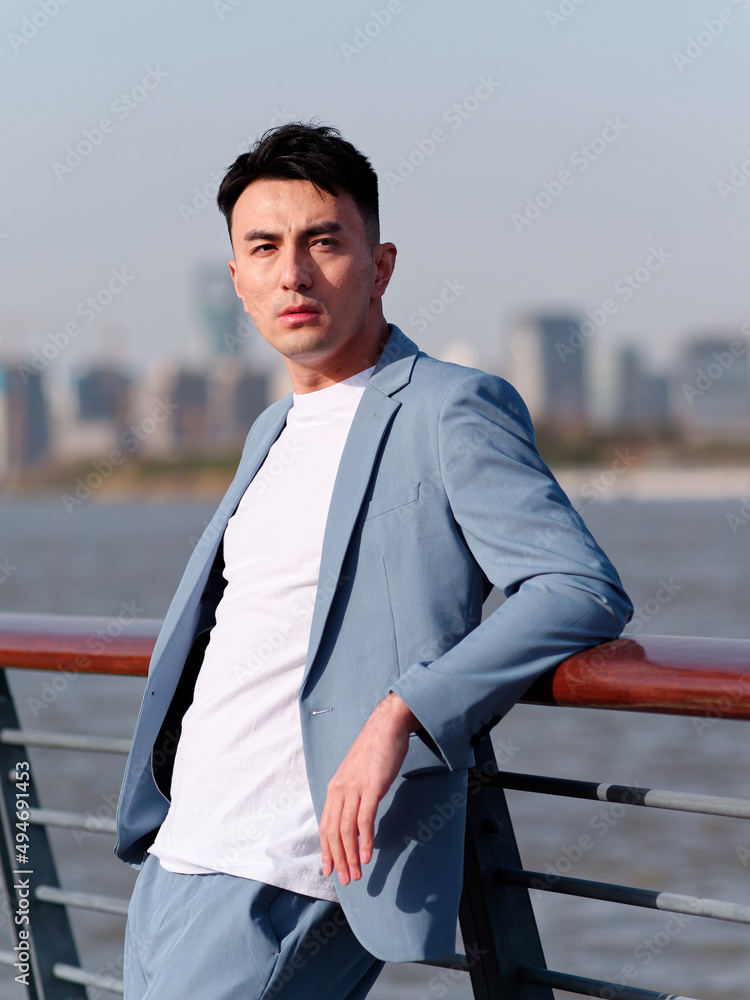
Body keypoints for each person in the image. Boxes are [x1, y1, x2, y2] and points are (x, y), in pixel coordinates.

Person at [116, 122, 632, 1000]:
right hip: (183, 852)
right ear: (237, 283)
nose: (295, 273)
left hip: (292, 867)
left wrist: (406, 709)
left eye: (325, 241)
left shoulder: (448, 407)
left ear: (381, 264)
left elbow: (577, 589)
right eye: (265, 249)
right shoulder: (271, 429)